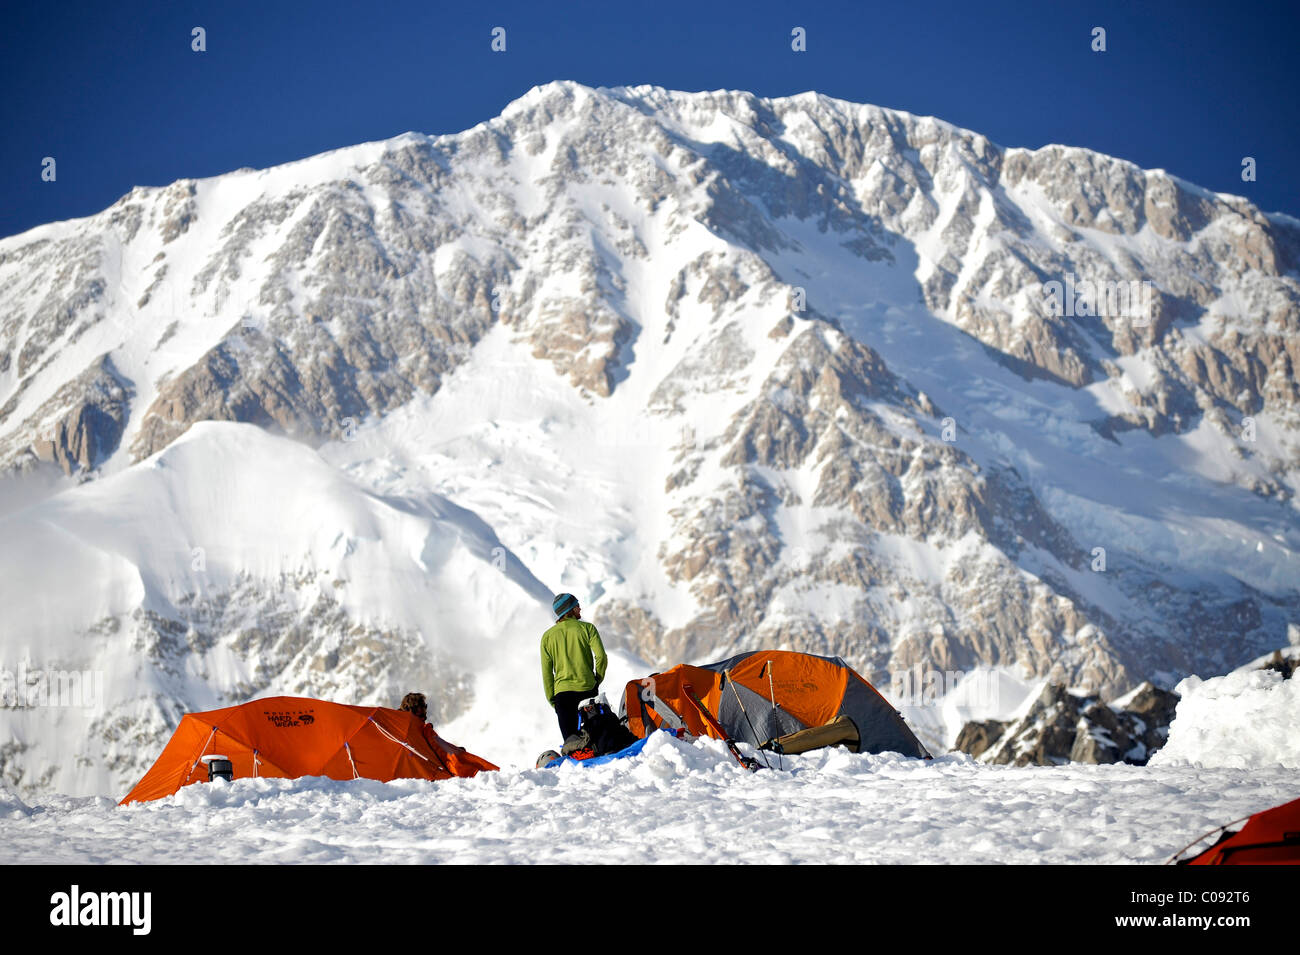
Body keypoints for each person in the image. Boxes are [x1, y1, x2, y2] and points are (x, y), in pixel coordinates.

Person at [541, 593, 608, 742]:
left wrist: (553, 699)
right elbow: (601, 657)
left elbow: (547, 673)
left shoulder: (547, 637)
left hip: (562, 696)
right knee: (597, 741)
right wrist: (597, 679)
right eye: (577, 605)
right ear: (570, 609)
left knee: (573, 746)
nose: (580, 608)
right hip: (587, 690)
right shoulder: (587, 629)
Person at [399, 691, 498, 775]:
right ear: (410, 710)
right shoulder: (412, 731)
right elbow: (440, 755)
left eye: (424, 707)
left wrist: (455, 751)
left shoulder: (412, 729)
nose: (424, 713)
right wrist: (455, 754)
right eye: (420, 709)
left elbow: (438, 749)